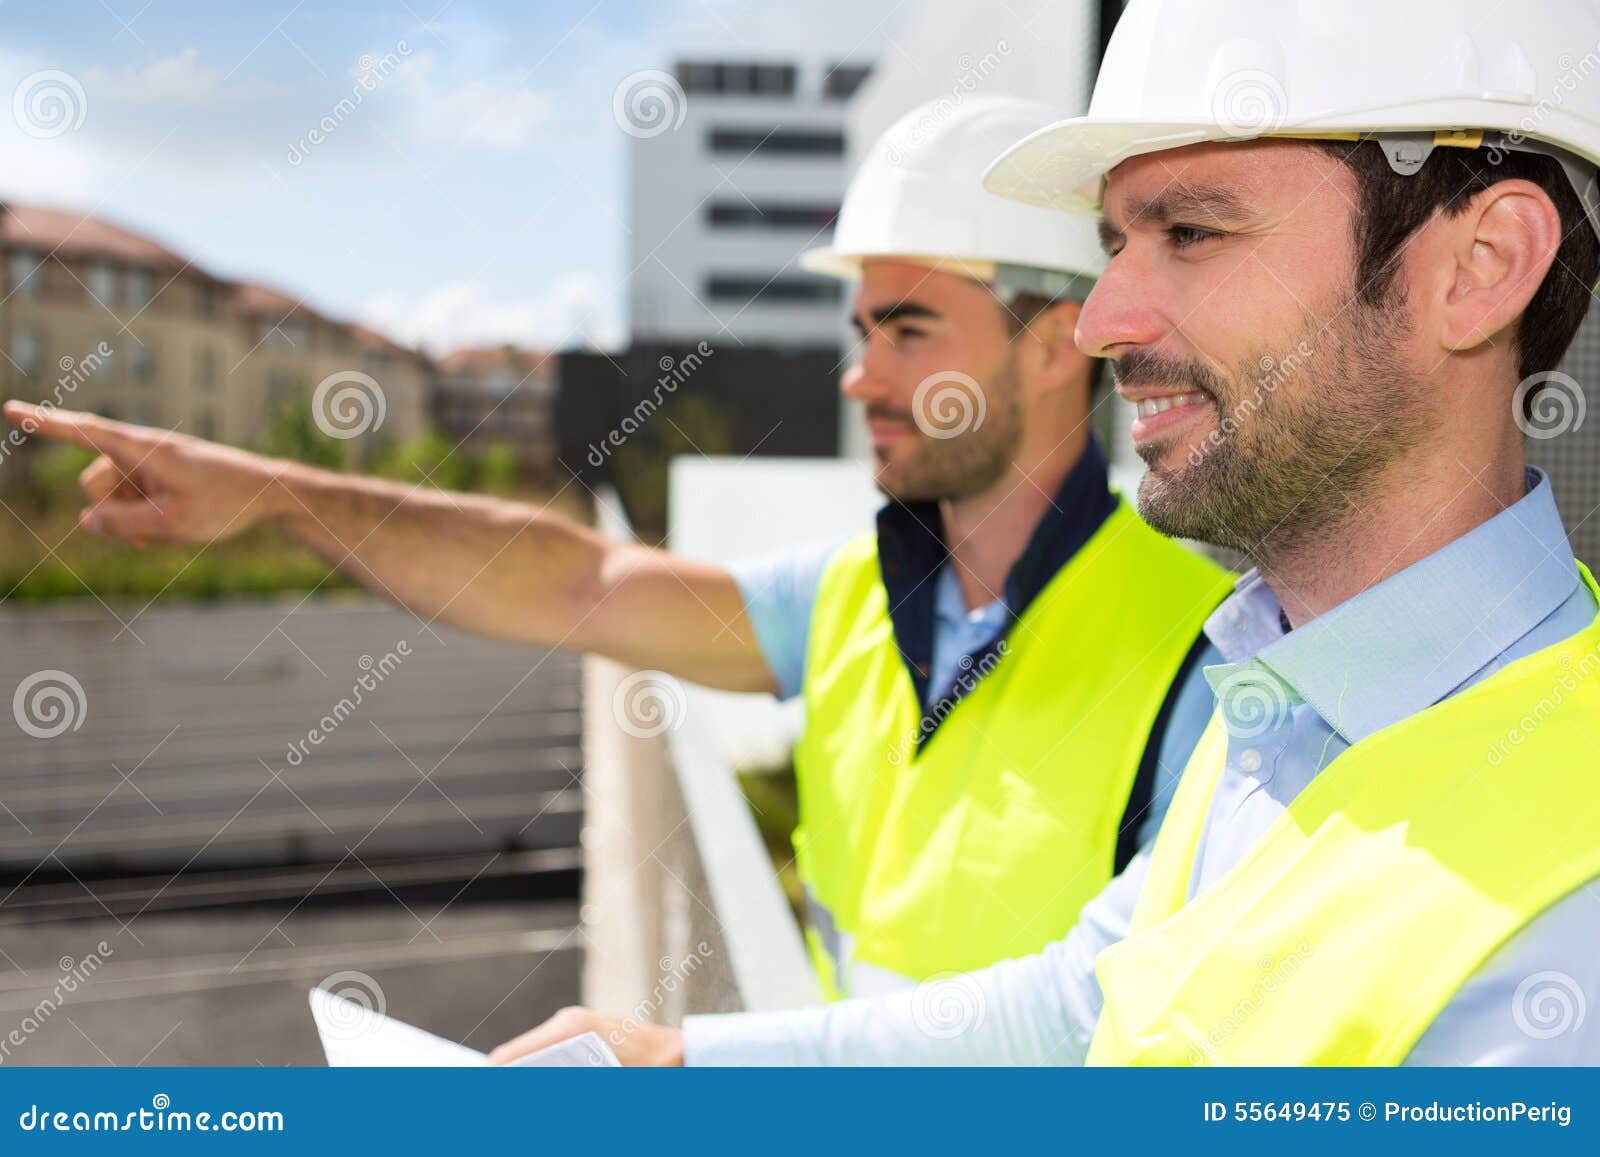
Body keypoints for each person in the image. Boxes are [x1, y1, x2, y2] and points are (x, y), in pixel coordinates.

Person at [489, 0, 1600, 1066]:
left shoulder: (1565, 919)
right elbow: (1091, 997)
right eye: (1118, 241)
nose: (1102, 318)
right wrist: (679, 1064)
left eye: (1193, 231)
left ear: (1482, 264)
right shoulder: (1286, 681)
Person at [4, 96, 1230, 1009]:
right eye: (861, 329)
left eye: (910, 329)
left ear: (1058, 344)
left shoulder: (1219, 644)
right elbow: (579, 578)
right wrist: (274, 492)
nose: (861, 375)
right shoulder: (851, 594)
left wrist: (694, 1056)